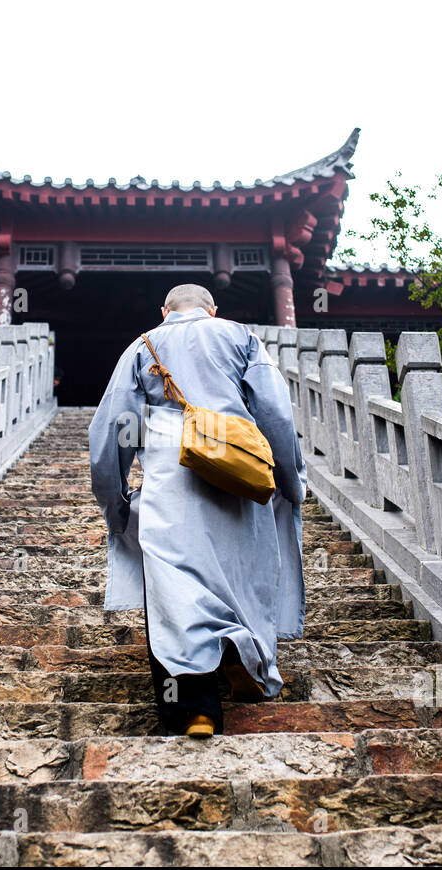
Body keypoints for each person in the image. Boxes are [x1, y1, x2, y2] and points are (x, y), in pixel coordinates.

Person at [88, 283, 307, 737]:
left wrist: (116, 504)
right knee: (239, 576)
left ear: (164, 311)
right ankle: (241, 652)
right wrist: (290, 480)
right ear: (213, 310)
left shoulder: (142, 346)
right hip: (239, 470)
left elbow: (114, 427)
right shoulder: (242, 336)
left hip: (173, 478)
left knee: (175, 588)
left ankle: (195, 710)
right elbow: (275, 413)